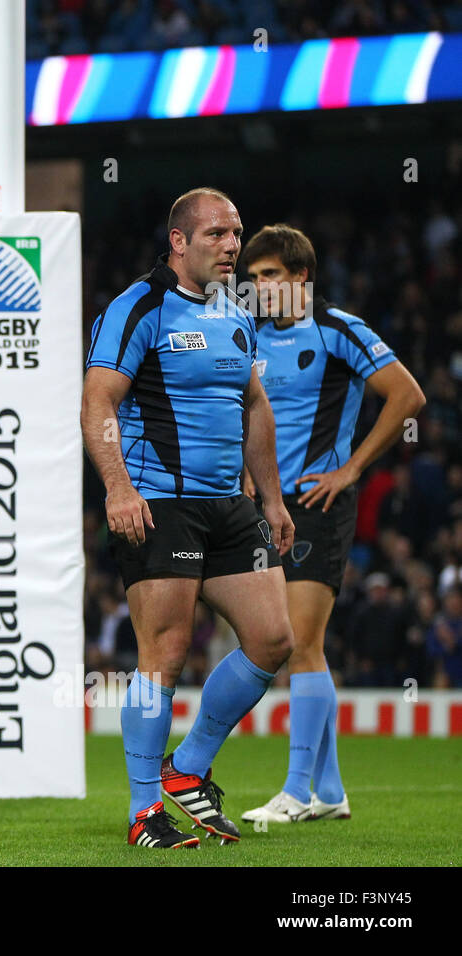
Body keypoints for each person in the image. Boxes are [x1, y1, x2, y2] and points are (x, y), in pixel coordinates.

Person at [81, 187, 295, 849]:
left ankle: (188, 769)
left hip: (227, 506)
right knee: (165, 655)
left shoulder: (237, 313)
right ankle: (144, 813)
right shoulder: (137, 306)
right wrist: (118, 487)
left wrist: (272, 498)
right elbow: (97, 402)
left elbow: (254, 405)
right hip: (158, 503)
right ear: (179, 241)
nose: (233, 246)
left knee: (273, 640)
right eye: (217, 235)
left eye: (236, 233)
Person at [238, 224, 424, 824]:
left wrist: (350, 470)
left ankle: (295, 793)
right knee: (283, 643)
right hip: (266, 508)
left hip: (318, 503)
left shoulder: (338, 328)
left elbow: (407, 395)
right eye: (254, 277)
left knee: (301, 645)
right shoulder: (248, 336)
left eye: (270, 276)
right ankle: (332, 791)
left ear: (300, 278)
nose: (260, 286)